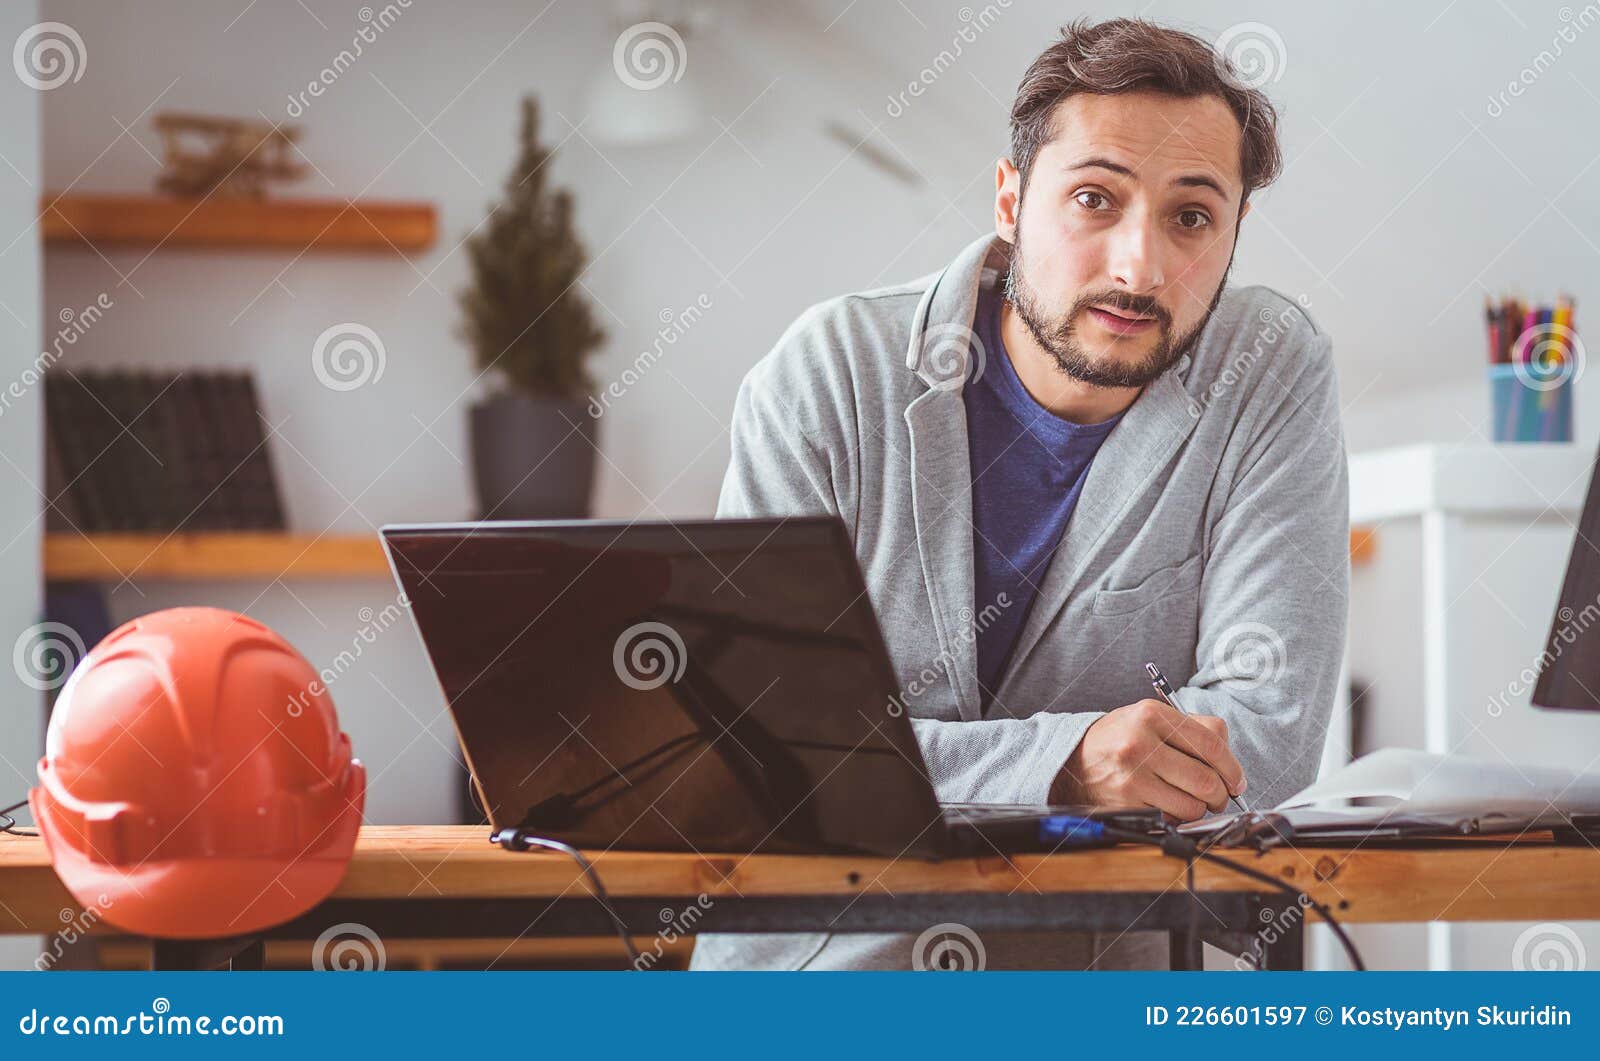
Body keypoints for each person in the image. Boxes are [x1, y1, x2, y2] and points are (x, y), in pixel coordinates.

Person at [691, 16, 1348, 971]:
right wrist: (1068, 764)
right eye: (1094, 199)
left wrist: (926, 765)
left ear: (1234, 232)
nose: (1141, 266)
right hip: (824, 977)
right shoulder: (826, 374)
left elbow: (1269, 738)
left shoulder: (1268, 367)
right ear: (1009, 200)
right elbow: (761, 750)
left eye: (1192, 217)